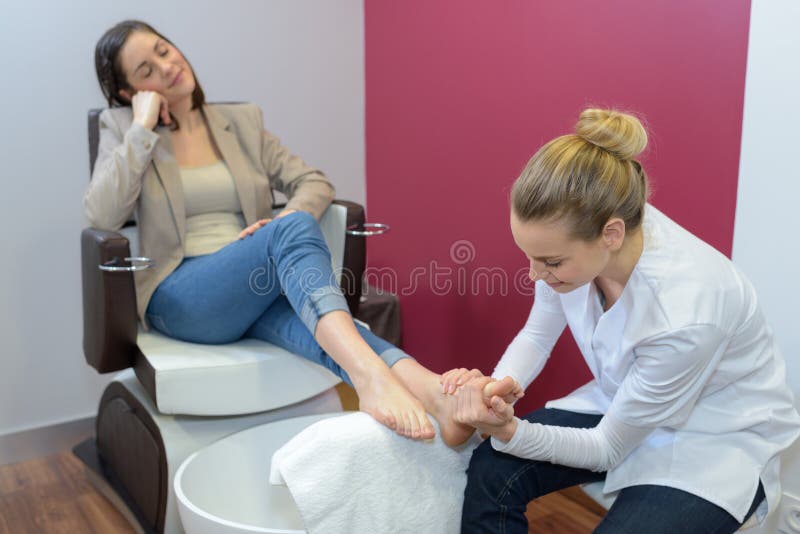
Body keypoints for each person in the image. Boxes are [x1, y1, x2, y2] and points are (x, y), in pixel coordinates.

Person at [85, 20, 475, 446]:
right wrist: (141, 127)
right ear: (129, 92)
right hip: (180, 294)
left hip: (251, 285)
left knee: (319, 320)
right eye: (146, 70)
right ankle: (370, 378)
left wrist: (281, 220)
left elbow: (314, 182)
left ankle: (436, 395)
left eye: (163, 50)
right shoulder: (122, 126)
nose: (166, 66)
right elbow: (103, 215)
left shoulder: (241, 121)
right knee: (296, 242)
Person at [441, 108, 800, 532]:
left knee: (510, 450)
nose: (535, 274)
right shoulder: (578, 240)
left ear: (611, 235)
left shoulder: (687, 312)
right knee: (490, 470)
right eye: (530, 257)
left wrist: (510, 431)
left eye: (550, 261)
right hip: (626, 402)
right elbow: (538, 335)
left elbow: (606, 448)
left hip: (713, 442)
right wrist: (496, 389)